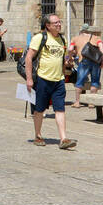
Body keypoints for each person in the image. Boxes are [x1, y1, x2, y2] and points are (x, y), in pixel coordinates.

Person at [24, 13, 76, 149]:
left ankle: (64, 139)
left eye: (59, 22)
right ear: (48, 25)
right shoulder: (40, 38)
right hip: (42, 79)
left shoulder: (62, 40)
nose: (59, 25)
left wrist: (68, 61)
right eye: (55, 23)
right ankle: (38, 135)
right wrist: (29, 79)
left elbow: (62, 60)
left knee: (60, 109)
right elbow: (29, 58)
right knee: (39, 110)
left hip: (59, 80)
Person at [70, 24, 103, 108]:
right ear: (89, 30)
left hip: (84, 60)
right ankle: (91, 103)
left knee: (80, 81)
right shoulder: (96, 38)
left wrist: (70, 57)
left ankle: (77, 102)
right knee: (95, 81)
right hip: (96, 61)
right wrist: (102, 59)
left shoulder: (75, 38)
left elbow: (70, 49)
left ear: (81, 30)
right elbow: (101, 47)